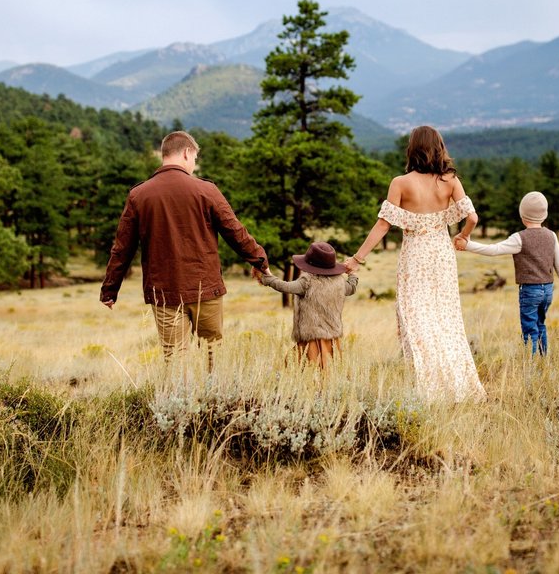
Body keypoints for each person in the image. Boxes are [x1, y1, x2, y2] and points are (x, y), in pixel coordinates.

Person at [100, 131, 269, 370]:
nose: (194, 165)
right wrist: (260, 261)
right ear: (187, 153)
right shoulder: (207, 190)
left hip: (164, 292)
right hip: (206, 287)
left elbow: (122, 248)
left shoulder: (138, 195)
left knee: (175, 359)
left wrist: (110, 289)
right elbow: (235, 231)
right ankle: (216, 405)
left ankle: (181, 407)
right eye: (195, 159)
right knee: (214, 354)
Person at [345, 126, 485, 401]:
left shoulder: (400, 183)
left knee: (416, 320)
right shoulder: (450, 181)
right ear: (439, 147)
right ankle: (460, 388)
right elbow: (472, 218)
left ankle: (430, 389)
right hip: (442, 254)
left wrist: (357, 258)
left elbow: (383, 225)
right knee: (447, 320)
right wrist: (462, 237)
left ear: (412, 149)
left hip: (415, 256)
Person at [454, 191, 559, 356]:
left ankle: (529, 366)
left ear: (522, 216)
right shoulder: (551, 236)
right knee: (540, 324)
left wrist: (467, 245)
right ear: (544, 215)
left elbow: (494, 249)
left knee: (530, 329)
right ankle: (543, 360)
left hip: (530, 291)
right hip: (548, 290)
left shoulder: (519, 238)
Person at [259, 241, 359, 371]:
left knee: (304, 373)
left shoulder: (308, 281)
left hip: (311, 340)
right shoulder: (339, 282)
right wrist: (352, 273)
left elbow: (284, 286)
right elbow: (351, 288)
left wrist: (267, 277)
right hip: (333, 340)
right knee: (331, 373)